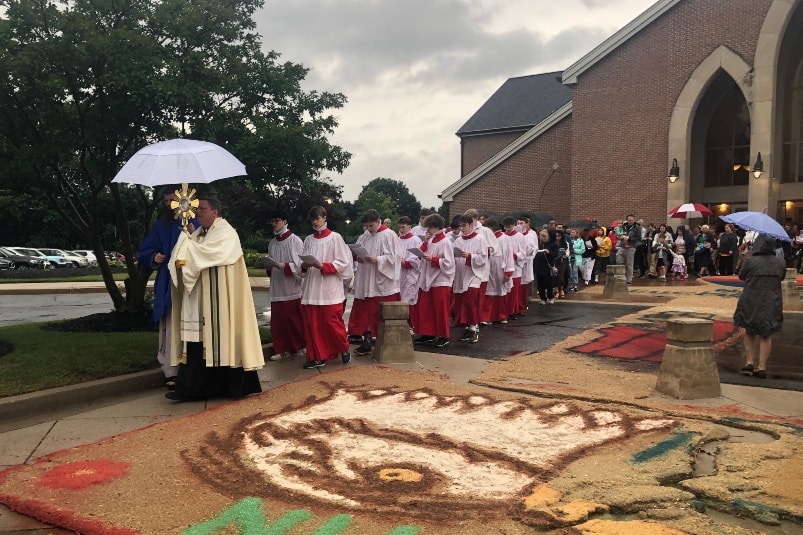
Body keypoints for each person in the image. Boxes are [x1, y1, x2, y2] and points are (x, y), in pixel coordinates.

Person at [165, 197, 264, 401]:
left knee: (221, 341)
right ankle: (191, 388)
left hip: (221, 303)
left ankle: (227, 387)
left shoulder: (226, 233)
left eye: (202, 209)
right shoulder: (199, 233)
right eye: (197, 209)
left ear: (215, 212)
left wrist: (187, 242)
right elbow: (187, 255)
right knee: (196, 343)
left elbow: (205, 254)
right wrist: (187, 237)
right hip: (200, 301)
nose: (198, 212)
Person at [138, 186, 199, 390]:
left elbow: (210, 246)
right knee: (171, 324)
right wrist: (154, 256)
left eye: (172, 200)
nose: (169, 205)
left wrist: (195, 233)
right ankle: (171, 370)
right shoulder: (161, 225)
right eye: (165, 202)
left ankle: (195, 367)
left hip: (194, 281)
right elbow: (146, 250)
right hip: (170, 281)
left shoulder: (196, 222)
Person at [299, 205, 354, 368]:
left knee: (332, 323)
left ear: (324, 218)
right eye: (312, 219)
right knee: (313, 324)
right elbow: (301, 262)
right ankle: (317, 355)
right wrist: (305, 265)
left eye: (317, 218)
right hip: (312, 286)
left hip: (329, 287)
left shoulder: (335, 238)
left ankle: (343, 348)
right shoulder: (308, 239)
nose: (315, 222)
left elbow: (343, 262)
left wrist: (323, 266)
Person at [347, 209, 402, 356]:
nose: (369, 229)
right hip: (366, 278)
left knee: (378, 312)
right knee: (365, 312)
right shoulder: (365, 235)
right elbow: (359, 250)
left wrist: (378, 259)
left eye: (371, 226)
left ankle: (382, 341)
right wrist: (358, 257)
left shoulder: (389, 235)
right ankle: (366, 340)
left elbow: (395, 257)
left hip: (381, 280)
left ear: (379, 222)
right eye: (367, 226)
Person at [734, 235, 786, 379]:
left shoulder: (750, 261)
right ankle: (762, 366)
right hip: (771, 300)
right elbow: (781, 276)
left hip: (751, 298)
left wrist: (745, 259)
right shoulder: (779, 262)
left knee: (749, 330)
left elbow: (741, 276)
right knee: (766, 333)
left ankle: (749, 362)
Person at [264, 209, 306, 362]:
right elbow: (271, 262)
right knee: (278, 320)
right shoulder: (273, 243)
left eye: (277, 221)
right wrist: (269, 267)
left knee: (293, 319)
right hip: (277, 285)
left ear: (285, 222)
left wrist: (285, 266)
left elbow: (301, 265)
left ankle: (298, 347)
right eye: (272, 221)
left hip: (291, 287)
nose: (274, 224)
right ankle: (281, 349)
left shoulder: (295, 241)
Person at [411, 214, 455, 348]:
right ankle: (427, 334)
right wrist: (424, 242)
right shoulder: (430, 240)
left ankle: (444, 336)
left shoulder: (445, 241)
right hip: (427, 278)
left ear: (436, 227)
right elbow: (421, 253)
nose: (427, 231)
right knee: (426, 308)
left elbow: (449, 262)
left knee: (440, 310)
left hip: (440, 280)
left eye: (429, 228)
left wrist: (434, 259)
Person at [453, 214, 489, 343]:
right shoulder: (458, 240)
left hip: (474, 274)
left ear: (471, 225)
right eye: (460, 226)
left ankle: (474, 327)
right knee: (462, 303)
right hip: (462, 274)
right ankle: (468, 327)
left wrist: (470, 256)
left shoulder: (480, 239)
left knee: (470, 301)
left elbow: (483, 257)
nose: (462, 228)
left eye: (464, 226)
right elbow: (454, 256)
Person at [483, 218, 513, 323]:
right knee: (488, 292)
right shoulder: (486, 238)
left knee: (501, 291)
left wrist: (508, 272)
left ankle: (501, 316)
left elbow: (509, 255)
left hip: (501, 268)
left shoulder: (505, 238)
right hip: (489, 268)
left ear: (492, 228)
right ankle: (488, 317)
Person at [397, 216, 423, 329]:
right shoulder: (397, 239)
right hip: (399, 274)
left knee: (408, 299)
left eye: (403, 227)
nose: (401, 230)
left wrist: (406, 262)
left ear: (409, 226)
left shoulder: (415, 240)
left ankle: (410, 325)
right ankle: (401, 323)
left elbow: (417, 258)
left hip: (410, 273)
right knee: (400, 298)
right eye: (400, 228)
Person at [615, 214, 642, 284]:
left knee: (629, 263)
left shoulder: (637, 227)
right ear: (627, 220)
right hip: (622, 245)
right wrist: (620, 237)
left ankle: (629, 279)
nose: (631, 221)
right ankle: (621, 276)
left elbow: (639, 238)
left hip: (631, 246)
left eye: (632, 220)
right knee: (618, 259)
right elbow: (618, 233)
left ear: (634, 220)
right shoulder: (623, 226)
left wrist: (629, 238)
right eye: (629, 220)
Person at [534, 229, 558, 304]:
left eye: (544, 236)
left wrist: (549, 252)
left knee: (548, 283)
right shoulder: (538, 244)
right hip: (539, 265)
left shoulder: (552, 244)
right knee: (540, 283)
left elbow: (555, 255)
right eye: (541, 236)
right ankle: (542, 298)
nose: (543, 238)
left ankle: (550, 297)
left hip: (548, 266)